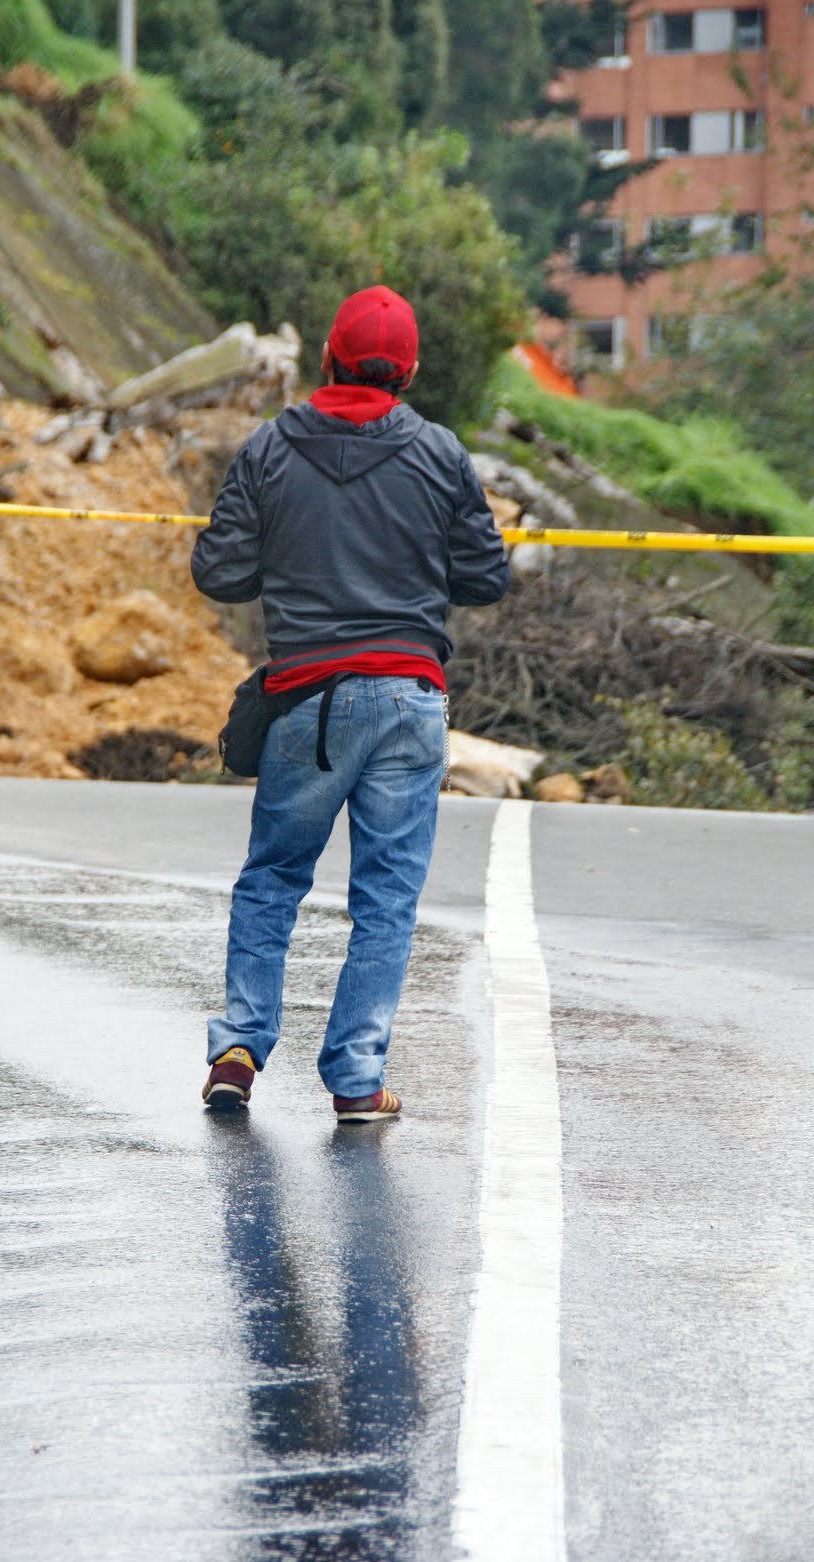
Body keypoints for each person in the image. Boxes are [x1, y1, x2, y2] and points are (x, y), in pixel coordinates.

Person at [191, 285, 510, 1123]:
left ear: (327, 356)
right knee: (386, 899)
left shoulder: (267, 448)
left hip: (308, 702)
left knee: (271, 880)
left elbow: (219, 573)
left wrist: (291, 551)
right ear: (407, 372)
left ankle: (238, 1049)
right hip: (410, 701)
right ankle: (357, 1080)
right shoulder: (439, 454)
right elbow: (484, 577)